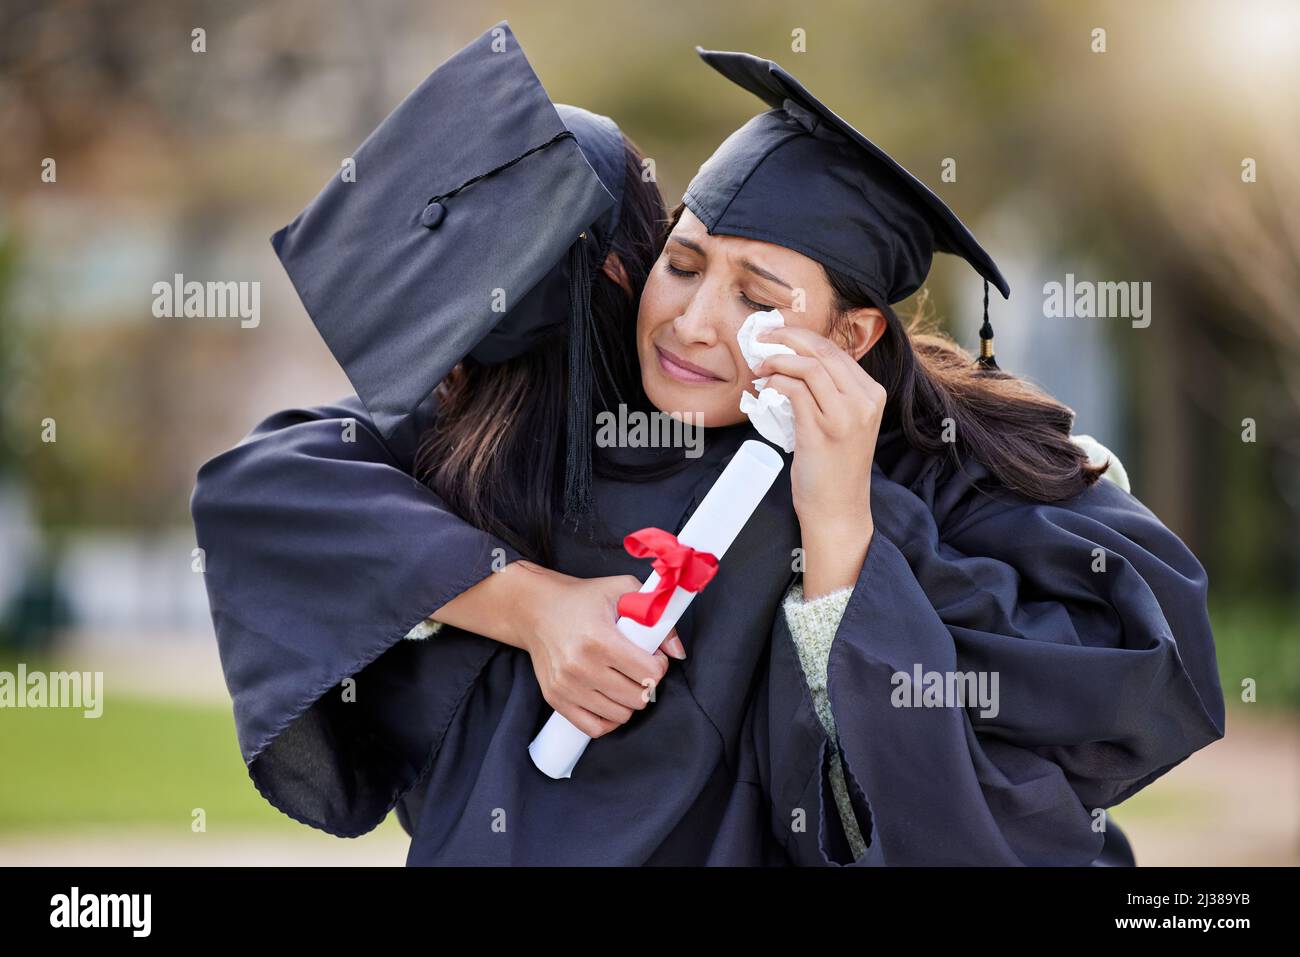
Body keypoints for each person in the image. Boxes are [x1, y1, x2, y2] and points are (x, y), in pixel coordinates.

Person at [192, 31, 1225, 865]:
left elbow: (1075, 710)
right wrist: (533, 606)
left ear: (850, 336)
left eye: (756, 299)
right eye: (683, 264)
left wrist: (839, 528)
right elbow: (268, 490)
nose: (690, 323)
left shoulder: (931, 475)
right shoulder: (550, 417)